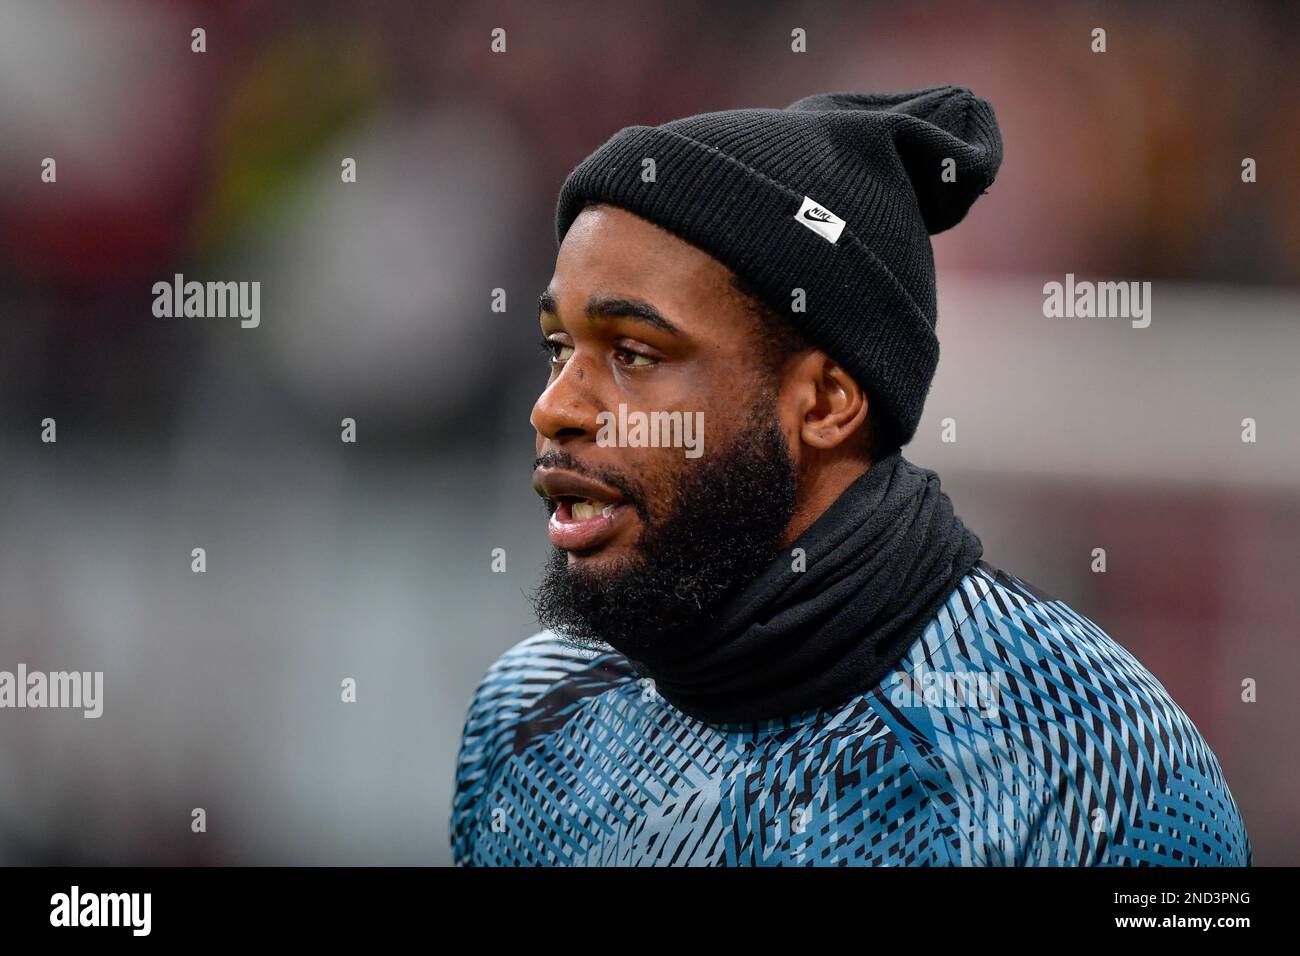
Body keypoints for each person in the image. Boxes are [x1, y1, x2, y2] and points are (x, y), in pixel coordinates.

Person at [451, 86, 1251, 866]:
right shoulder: (526, 714)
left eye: (634, 354)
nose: (553, 408)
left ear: (827, 402)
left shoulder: (1101, 768)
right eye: (561, 349)